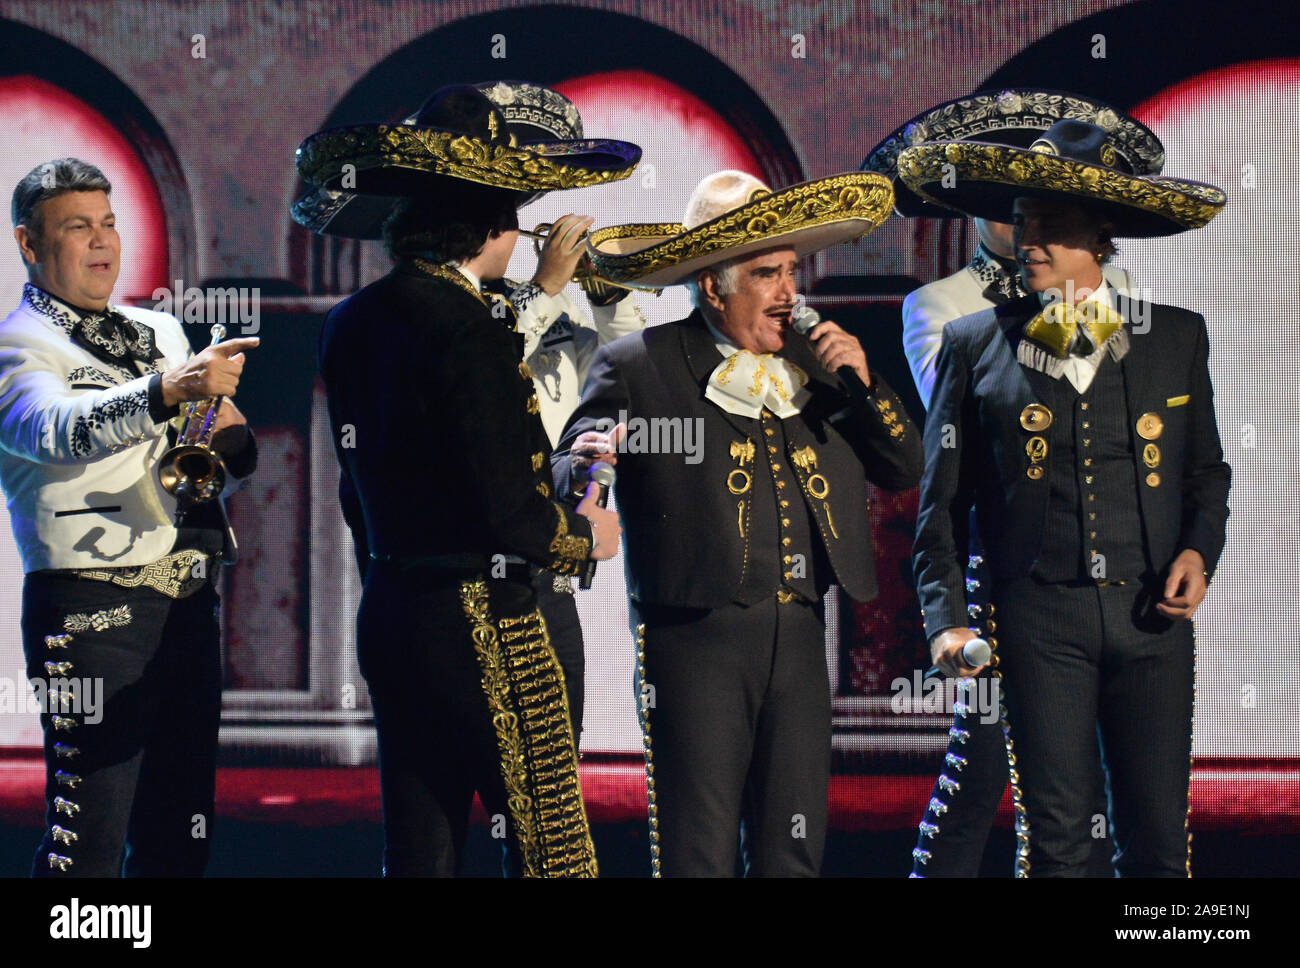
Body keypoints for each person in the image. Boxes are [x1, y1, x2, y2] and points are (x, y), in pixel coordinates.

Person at [299, 85, 639, 876]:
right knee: (551, 852)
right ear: (496, 221)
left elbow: (359, 494)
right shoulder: (472, 323)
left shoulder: (351, 319)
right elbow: (503, 508)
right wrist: (586, 534)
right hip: (488, 621)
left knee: (419, 851)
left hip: (394, 614)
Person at [554, 168, 923, 876]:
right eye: (766, 273)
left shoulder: (819, 367)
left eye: (791, 271)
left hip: (799, 633)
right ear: (715, 284)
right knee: (700, 853)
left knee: (793, 851)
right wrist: (589, 474)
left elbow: (904, 467)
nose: (789, 293)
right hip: (693, 641)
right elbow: (576, 459)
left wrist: (866, 384)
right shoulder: (642, 363)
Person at [901, 118, 1230, 876]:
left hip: (1151, 619)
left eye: (1051, 224)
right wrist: (947, 620)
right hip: (1037, 618)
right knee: (1057, 840)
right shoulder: (975, 341)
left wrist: (1196, 552)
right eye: (1023, 223)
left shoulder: (1174, 337)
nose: (1031, 240)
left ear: (1102, 232)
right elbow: (942, 507)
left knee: (1153, 839)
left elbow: (1207, 473)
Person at [863, 89, 1165, 876]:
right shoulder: (947, 309)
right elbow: (965, 431)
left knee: (1104, 780)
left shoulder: (1117, 308)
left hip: (1104, 563)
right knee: (983, 768)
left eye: (1044, 207)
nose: (1023, 223)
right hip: (1005, 566)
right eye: (1011, 206)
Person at [0, 157, 258, 876]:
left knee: (180, 833)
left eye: (108, 223)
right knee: (87, 837)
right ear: (29, 243)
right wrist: (166, 389)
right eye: (78, 227)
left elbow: (210, 458)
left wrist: (227, 433)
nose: (102, 241)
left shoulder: (161, 330)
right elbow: (51, 430)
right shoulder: (18, 343)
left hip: (185, 598)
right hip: (90, 608)